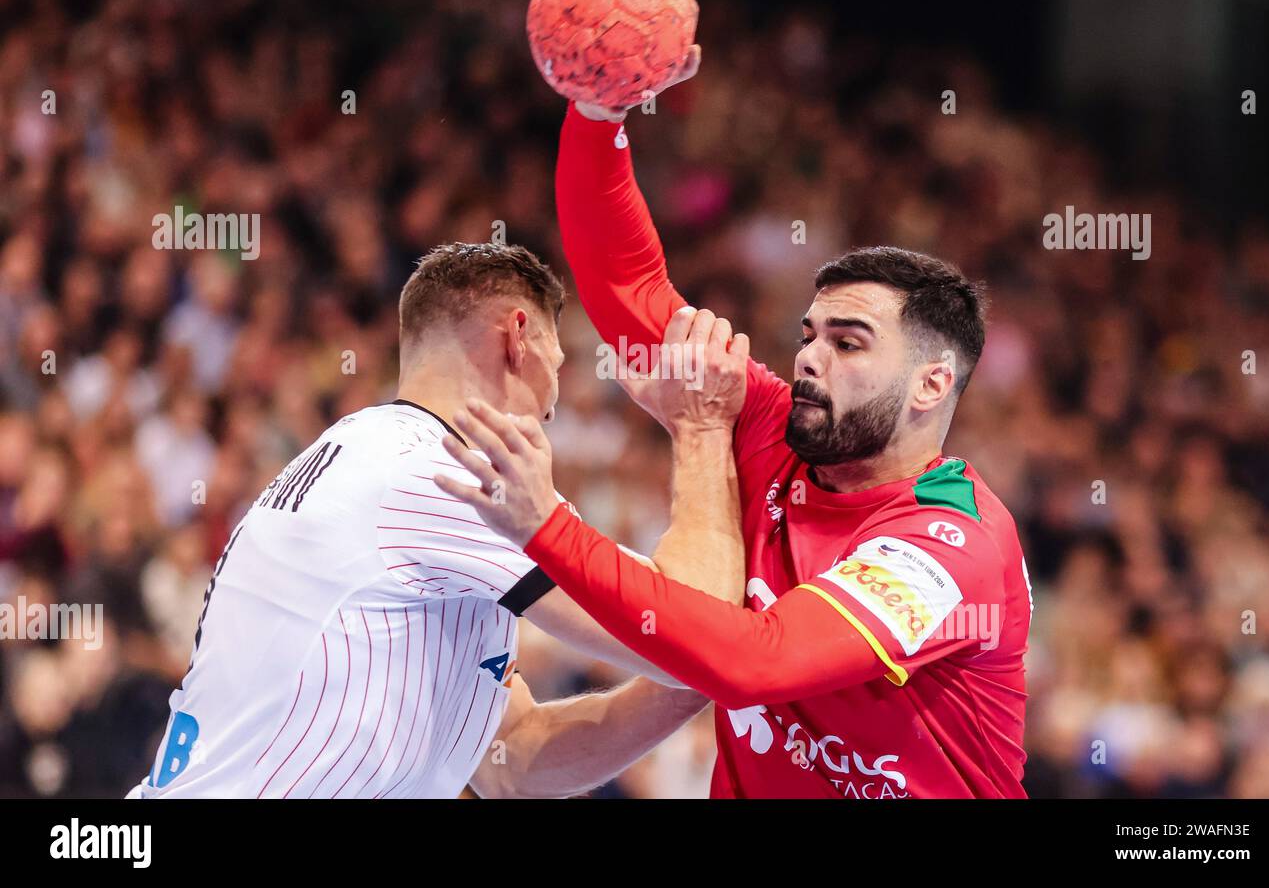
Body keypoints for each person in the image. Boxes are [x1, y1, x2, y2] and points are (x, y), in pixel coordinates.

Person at [434, 65, 1034, 799]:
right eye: (809, 333)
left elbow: (756, 663)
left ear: (931, 384)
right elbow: (634, 295)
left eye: (848, 344)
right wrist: (597, 116)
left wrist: (547, 527)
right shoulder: (771, 427)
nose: (810, 355)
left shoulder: (951, 544)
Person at [130, 242, 746, 798]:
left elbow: (517, 759)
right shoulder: (441, 476)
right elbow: (693, 630)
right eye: (556, 366)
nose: (555, 405)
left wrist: (700, 684)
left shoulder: (373, 457)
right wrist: (702, 428)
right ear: (518, 339)